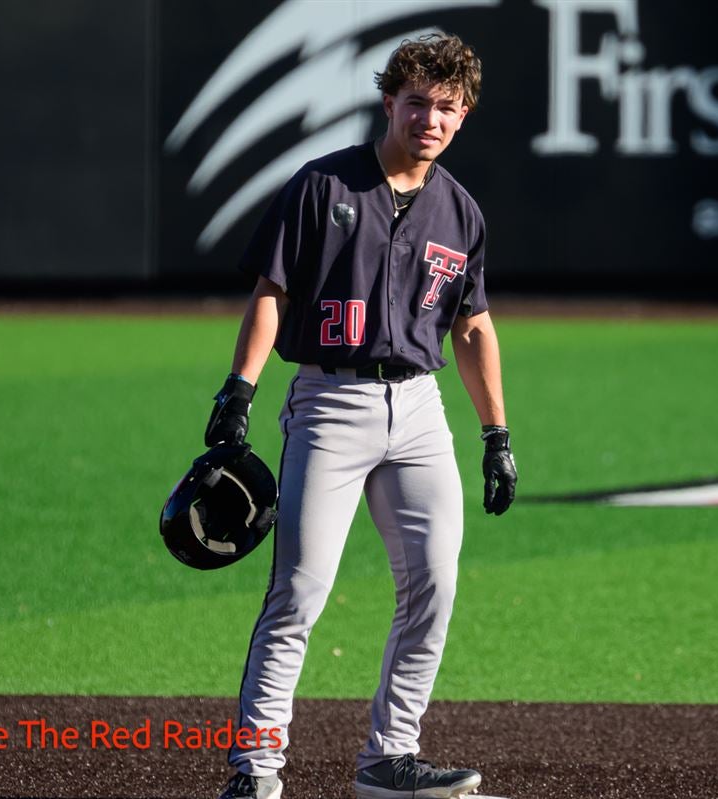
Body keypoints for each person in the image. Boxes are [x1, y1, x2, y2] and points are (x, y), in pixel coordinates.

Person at [203, 33, 517, 799]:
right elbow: (271, 292)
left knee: (434, 585)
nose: (430, 119)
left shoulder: (461, 211)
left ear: (463, 115)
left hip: (418, 407)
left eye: (447, 108)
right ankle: (256, 768)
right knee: (299, 592)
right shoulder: (323, 184)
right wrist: (237, 391)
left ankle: (390, 756)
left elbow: (472, 326)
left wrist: (496, 433)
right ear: (389, 102)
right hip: (329, 401)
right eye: (417, 103)